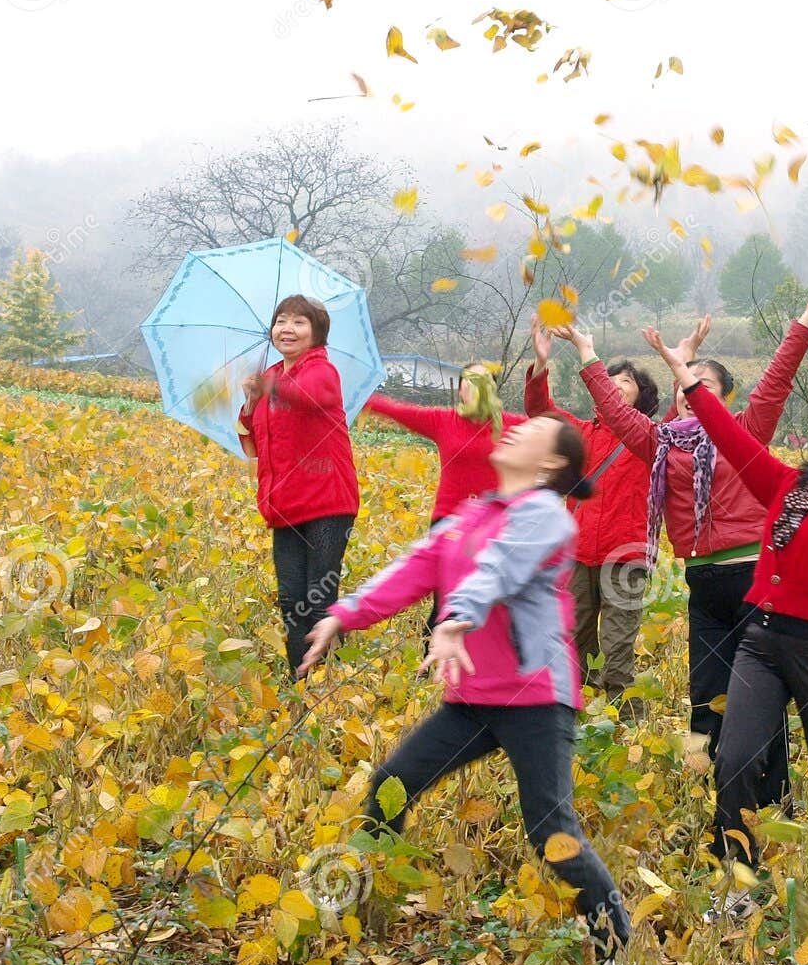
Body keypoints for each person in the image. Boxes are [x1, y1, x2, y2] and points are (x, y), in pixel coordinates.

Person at [300, 415, 631, 965]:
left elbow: (497, 570)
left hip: (534, 698)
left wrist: (455, 619)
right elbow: (413, 569)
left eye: (532, 431)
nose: (512, 430)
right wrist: (342, 614)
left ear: (552, 463)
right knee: (392, 782)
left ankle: (619, 954)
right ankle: (361, 904)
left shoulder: (545, 516)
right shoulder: (472, 514)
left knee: (550, 827)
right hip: (474, 698)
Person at [550, 283, 808, 808]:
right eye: (683, 385)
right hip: (704, 584)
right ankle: (706, 779)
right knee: (703, 691)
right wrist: (586, 353)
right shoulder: (662, 447)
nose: (689, 390)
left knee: (761, 695)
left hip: (752, 581)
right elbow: (618, 414)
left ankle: (775, 791)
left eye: (702, 384)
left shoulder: (747, 431)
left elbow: (779, 377)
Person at [643, 326, 808, 924]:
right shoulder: (787, 484)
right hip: (761, 639)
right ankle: (738, 882)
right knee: (735, 758)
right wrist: (685, 377)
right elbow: (731, 440)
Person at [525, 316, 656, 714]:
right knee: (574, 636)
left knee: (618, 644)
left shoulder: (650, 438)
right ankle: (580, 713)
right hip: (578, 552)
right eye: (610, 379)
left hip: (625, 555)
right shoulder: (581, 432)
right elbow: (540, 411)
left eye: (626, 382)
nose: (615, 385)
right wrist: (542, 362)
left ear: (643, 398)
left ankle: (626, 723)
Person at [237, 294, 359, 680]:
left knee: (318, 596)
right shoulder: (272, 375)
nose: (287, 329)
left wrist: (270, 388)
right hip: (284, 504)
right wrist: (248, 403)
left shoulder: (323, 371)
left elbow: (311, 398)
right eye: (281, 321)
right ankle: (299, 679)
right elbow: (253, 445)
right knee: (291, 597)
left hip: (327, 501)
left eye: (298, 322)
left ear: (316, 332)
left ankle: (321, 682)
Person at [363, 363, 526, 636]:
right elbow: (397, 410)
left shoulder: (512, 426)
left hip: (493, 525)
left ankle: (478, 660)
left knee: (485, 598)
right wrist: (358, 396)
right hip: (449, 521)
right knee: (445, 597)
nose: (470, 386)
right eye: (465, 381)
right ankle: (433, 663)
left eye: (479, 381)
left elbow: (551, 429)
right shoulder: (444, 420)